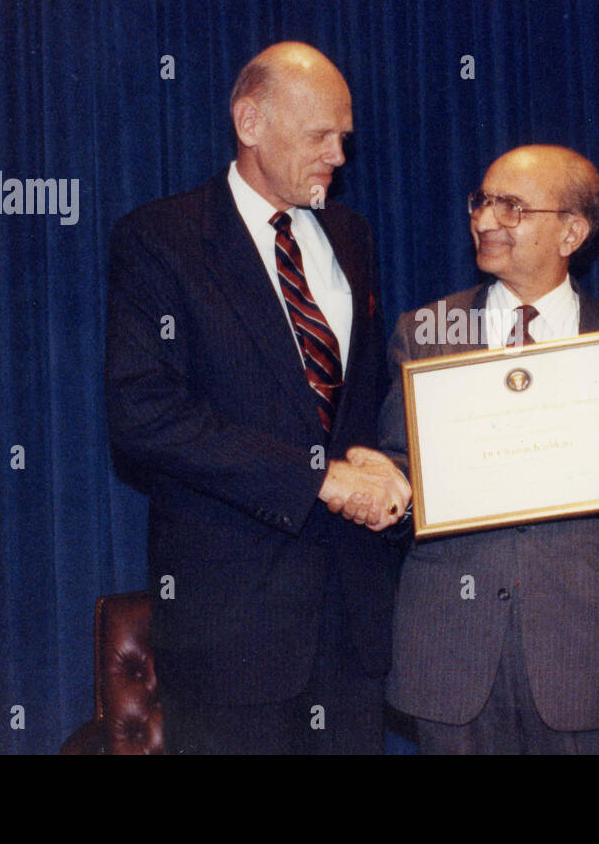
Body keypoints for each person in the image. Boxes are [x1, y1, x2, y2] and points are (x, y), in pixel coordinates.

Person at [105, 42, 410, 754]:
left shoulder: (350, 235)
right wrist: (320, 479)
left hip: (353, 622)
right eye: (319, 136)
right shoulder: (161, 241)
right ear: (249, 122)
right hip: (232, 634)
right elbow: (146, 416)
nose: (339, 154)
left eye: (345, 136)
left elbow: (360, 406)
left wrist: (393, 470)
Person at [376, 145, 599, 754]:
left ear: (571, 231)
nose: (486, 220)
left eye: (511, 207)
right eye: (482, 202)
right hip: (453, 655)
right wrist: (386, 489)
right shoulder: (426, 331)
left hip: (582, 655)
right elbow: (399, 478)